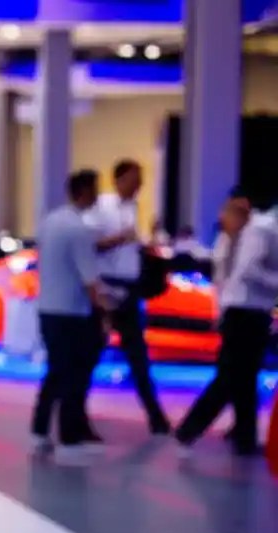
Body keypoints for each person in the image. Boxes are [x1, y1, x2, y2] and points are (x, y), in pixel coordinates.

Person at [176, 195, 278, 457]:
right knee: (231, 379)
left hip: (250, 311)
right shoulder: (263, 229)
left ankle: (244, 439)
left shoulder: (259, 229)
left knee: (243, 379)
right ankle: (188, 431)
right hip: (246, 312)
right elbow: (248, 270)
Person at [84, 159, 171, 436]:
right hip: (106, 292)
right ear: (119, 179)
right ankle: (74, 413)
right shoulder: (101, 207)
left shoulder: (133, 208)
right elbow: (88, 246)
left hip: (130, 292)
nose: (139, 185)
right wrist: (120, 239)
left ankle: (156, 417)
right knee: (89, 355)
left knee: (138, 357)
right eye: (135, 179)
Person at [32, 170, 109, 463]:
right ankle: (69, 438)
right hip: (72, 313)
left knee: (55, 373)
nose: (97, 195)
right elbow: (90, 278)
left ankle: (39, 432)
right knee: (75, 376)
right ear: (85, 191)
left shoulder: (50, 222)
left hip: (48, 309)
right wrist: (104, 312)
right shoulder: (78, 229)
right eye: (95, 189)